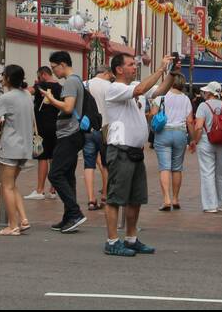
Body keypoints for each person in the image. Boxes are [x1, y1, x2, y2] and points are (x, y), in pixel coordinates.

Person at [102, 52, 178, 256]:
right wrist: (161, 69)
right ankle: (111, 241)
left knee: (135, 198)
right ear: (119, 69)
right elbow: (142, 89)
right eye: (130, 64)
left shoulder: (133, 88)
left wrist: (172, 73)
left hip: (135, 151)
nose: (135, 67)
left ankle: (131, 238)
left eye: (135, 64)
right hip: (120, 150)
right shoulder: (115, 88)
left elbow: (160, 90)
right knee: (115, 198)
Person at [39, 50, 88, 233]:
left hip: (69, 133)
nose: (54, 72)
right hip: (73, 133)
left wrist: (51, 100)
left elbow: (68, 107)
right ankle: (69, 217)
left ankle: (75, 213)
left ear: (62, 64)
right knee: (67, 175)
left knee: (56, 174)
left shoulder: (70, 82)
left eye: (54, 68)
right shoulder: (77, 81)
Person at [0, 64, 35, 236]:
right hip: (24, 147)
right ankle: (23, 219)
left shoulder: (7, 98)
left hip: (10, 147)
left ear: (7, 78)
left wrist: (2, 117)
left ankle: (12, 225)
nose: (1, 79)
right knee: (12, 185)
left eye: (3, 76)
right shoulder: (27, 95)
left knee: (6, 187)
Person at [192, 81, 222, 213]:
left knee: (207, 173)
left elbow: (199, 127)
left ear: (209, 93)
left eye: (205, 92)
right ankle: (221, 203)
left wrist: (195, 141)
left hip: (206, 141)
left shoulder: (203, 106)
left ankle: (211, 205)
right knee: (221, 174)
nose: (204, 94)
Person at [152, 72, 192, 210]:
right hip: (180, 133)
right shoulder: (186, 99)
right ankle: (175, 198)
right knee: (177, 168)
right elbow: (190, 121)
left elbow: (152, 113)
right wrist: (192, 139)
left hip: (164, 132)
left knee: (164, 167)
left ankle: (166, 199)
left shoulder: (161, 96)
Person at [82, 65, 114, 211]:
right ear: (106, 73)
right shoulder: (110, 87)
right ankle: (105, 196)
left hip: (88, 128)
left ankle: (90, 199)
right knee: (106, 164)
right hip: (106, 128)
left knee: (89, 164)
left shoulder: (85, 84)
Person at [26, 66, 59, 200]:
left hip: (41, 128)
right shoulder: (60, 87)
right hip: (56, 126)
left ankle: (40, 190)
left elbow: (29, 91)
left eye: (39, 77)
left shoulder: (41, 85)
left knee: (42, 157)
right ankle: (53, 190)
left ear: (43, 75)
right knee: (53, 157)